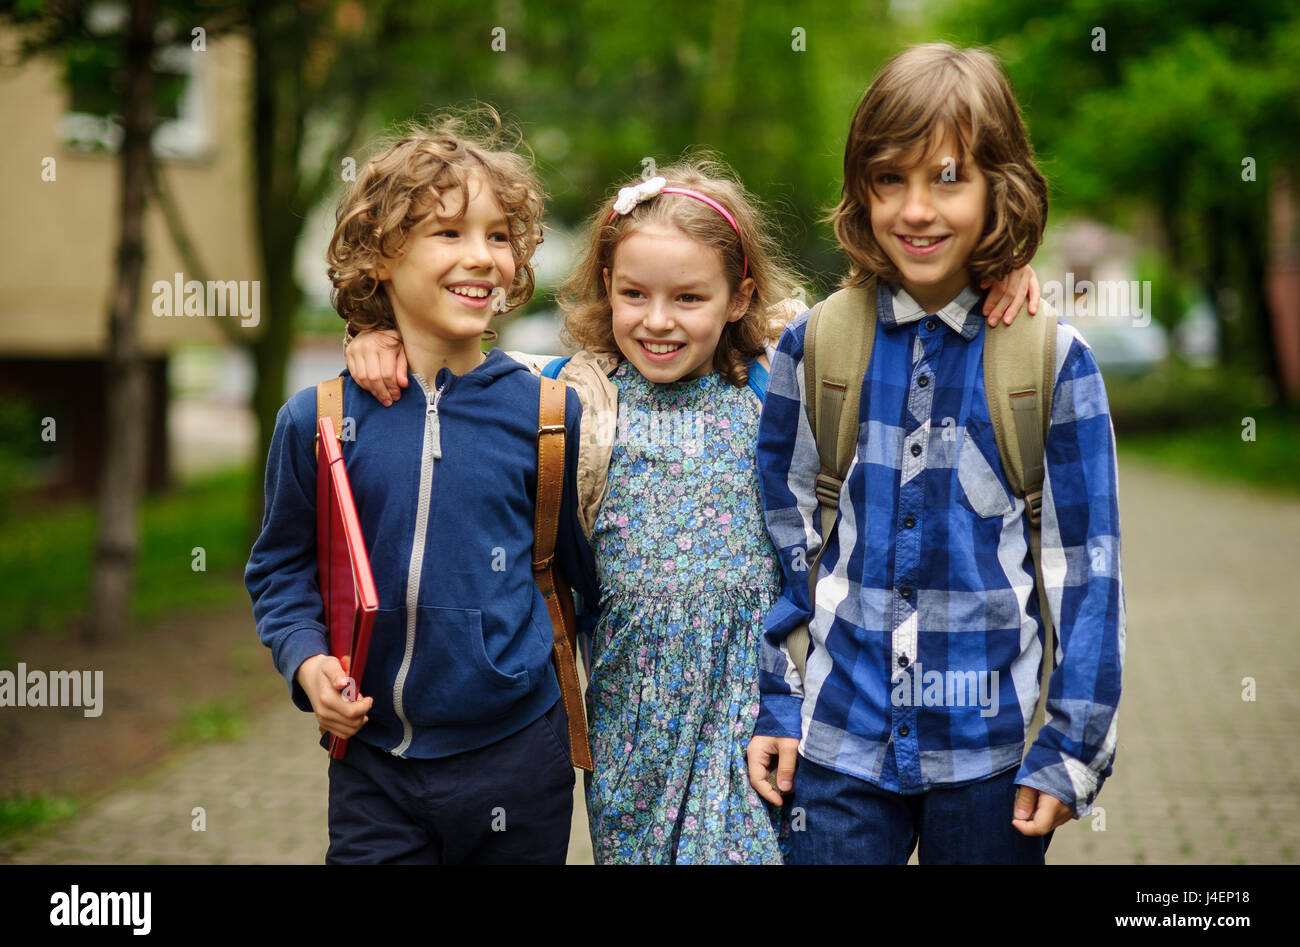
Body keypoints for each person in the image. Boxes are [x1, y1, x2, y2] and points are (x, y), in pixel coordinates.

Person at [346, 160, 1039, 865]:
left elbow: (886, 311)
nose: (657, 320)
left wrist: (995, 273)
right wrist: (378, 333)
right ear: (606, 291)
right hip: (631, 718)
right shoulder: (570, 396)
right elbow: (460, 366)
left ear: (738, 298)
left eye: (688, 297)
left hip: (755, 707)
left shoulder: (778, 379)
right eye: (633, 294)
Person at [746, 42, 1126, 865]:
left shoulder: (1050, 362)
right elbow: (776, 547)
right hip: (835, 748)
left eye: (949, 177)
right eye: (891, 178)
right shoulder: (817, 347)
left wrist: (1072, 747)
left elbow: (1086, 571)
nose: (916, 209)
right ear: (862, 189)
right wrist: (778, 702)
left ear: (1000, 187)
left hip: (993, 755)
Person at [244, 114, 598, 865]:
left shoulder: (546, 413)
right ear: (380, 256)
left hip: (518, 756)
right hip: (372, 767)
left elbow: (576, 575)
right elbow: (280, 568)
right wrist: (308, 664)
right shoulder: (321, 417)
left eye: (499, 236)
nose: (482, 257)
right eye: (449, 233)